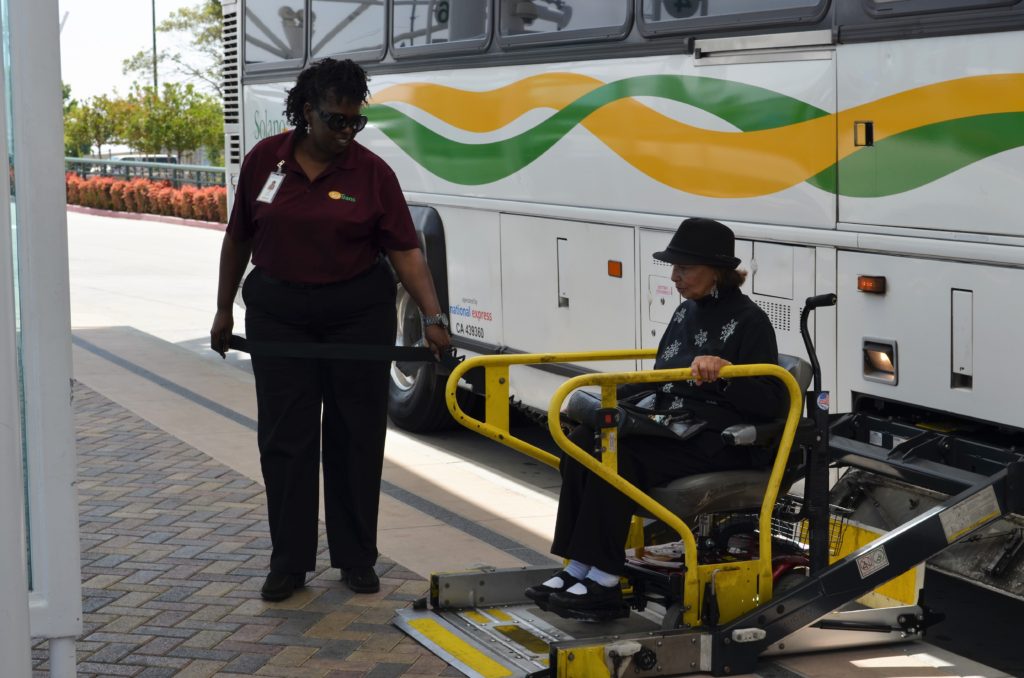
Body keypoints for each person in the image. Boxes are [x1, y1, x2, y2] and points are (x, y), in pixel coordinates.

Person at [210, 58, 451, 602]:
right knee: (286, 440)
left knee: (356, 436)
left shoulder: (371, 173)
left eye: (354, 122)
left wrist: (433, 317)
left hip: (355, 316)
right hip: (279, 316)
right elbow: (238, 239)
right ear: (304, 112)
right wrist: (223, 309)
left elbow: (406, 251)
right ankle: (289, 564)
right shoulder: (264, 162)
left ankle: (356, 558)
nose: (346, 132)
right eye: (336, 120)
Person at [525, 218, 787, 620]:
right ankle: (579, 566)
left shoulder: (750, 321)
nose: (675, 276)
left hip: (718, 438)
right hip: (672, 423)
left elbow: (770, 402)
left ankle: (605, 578)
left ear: (716, 271)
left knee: (617, 456)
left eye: (684, 268)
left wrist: (725, 372)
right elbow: (662, 375)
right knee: (581, 441)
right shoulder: (686, 312)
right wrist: (611, 398)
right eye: (674, 267)